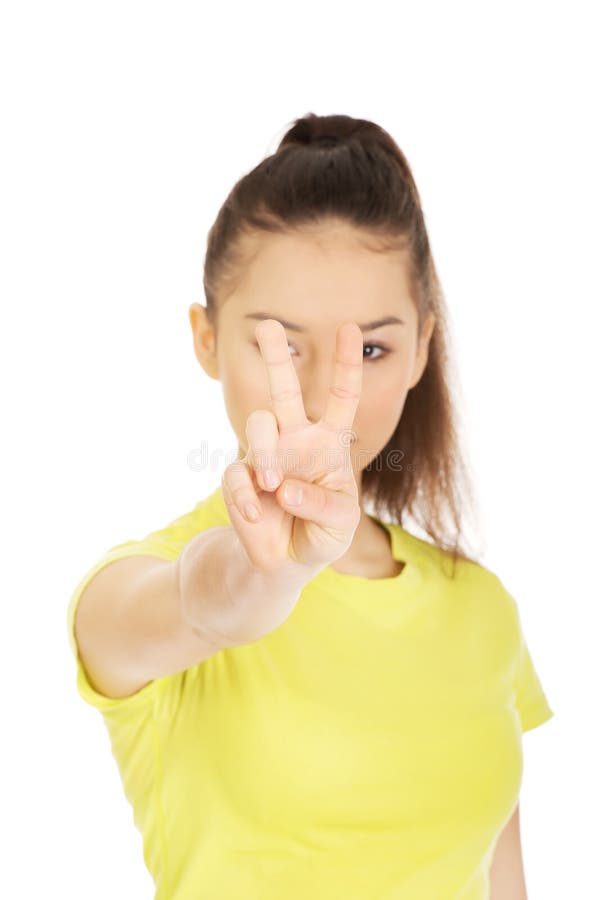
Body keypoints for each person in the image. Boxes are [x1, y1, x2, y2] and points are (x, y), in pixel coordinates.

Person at [66, 112, 553, 900]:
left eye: (371, 349)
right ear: (206, 339)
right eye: (282, 345)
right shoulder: (140, 589)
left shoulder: (482, 609)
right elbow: (205, 604)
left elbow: (503, 883)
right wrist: (275, 569)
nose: (334, 394)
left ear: (422, 349)